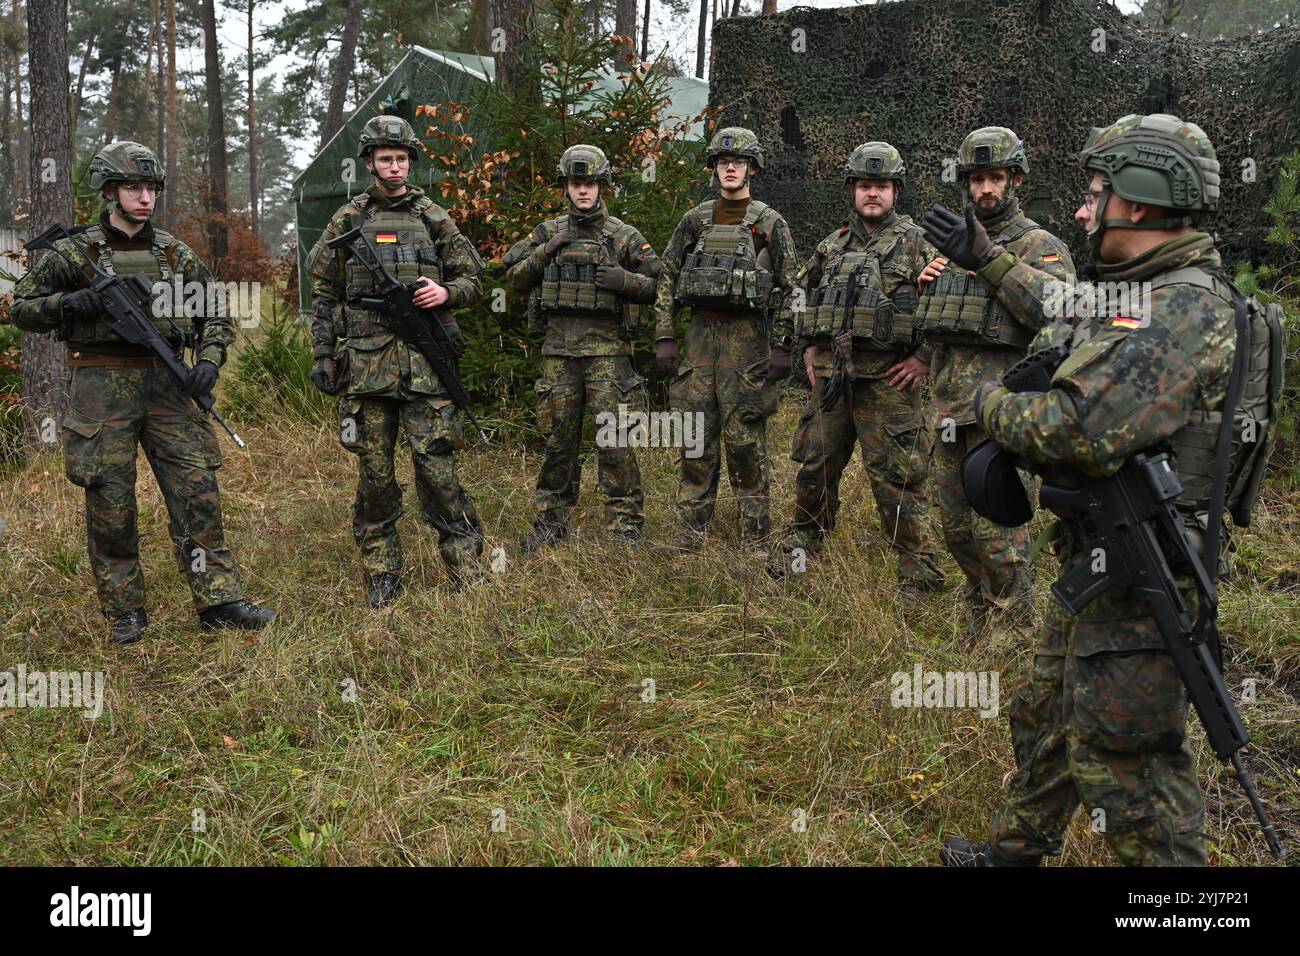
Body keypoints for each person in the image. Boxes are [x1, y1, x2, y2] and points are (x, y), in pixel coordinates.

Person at [940, 114, 1257, 866]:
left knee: (1131, 765)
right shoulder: (1133, 290)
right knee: (1047, 709)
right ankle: (1016, 849)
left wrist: (989, 405)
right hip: (1102, 559)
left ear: (1137, 204)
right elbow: (1057, 317)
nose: (1083, 211)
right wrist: (992, 270)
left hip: (1146, 573)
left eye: (1094, 195)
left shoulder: (1181, 306)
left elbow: (1074, 429)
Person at [10, 141, 275, 644]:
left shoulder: (174, 253)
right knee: (111, 502)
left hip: (170, 385)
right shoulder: (74, 251)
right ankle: (125, 610)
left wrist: (210, 365)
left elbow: (215, 312)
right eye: (135, 188)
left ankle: (218, 599)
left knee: (197, 492)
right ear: (110, 191)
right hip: (100, 386)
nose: (146, 198)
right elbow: (21, 308)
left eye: (152, 189)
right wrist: (74, 302)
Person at [308, 115, 486, 606]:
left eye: (401, 158)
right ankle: (383, 572)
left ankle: (466, 565)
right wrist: (324, 354)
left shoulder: (434, 217)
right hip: (366, 368)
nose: (393, 166)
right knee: (376, 476)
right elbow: (323, 292)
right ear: (369, 162)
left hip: (426, 367)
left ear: (410, 162)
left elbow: (475, 279)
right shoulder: (348, 220)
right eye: (385, 158)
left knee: (438, 471)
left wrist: (445, 291)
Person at [916, 126, 1075, 639]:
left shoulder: (1039, 245)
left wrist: (987, 264)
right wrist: (926, 287)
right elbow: (936, 326)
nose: (985, 189)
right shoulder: (946, 245)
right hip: (947, 412)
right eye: (977, 179)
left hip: (1003, 417)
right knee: (957, 531)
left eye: (996, 178)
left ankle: (1015, 638)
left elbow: (1062, 317)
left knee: (1000, 536)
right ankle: (981, 620)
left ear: (1016, 180)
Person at [766, 142, 944, 598]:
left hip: (887, 382)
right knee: (812, 469)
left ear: (895, 190)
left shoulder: (918, 243)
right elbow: (800, 296)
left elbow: (949, 304)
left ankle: (918, 574)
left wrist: (924, 356)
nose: (872, 194)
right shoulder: (833, 244)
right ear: (853, 189)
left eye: (881, 185)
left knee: (897, 479)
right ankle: (803, 549)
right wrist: (803, 344)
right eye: (865, 185)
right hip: (831, 378)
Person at [502, 144, 661, 550]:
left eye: (590, 182)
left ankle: (625, 526)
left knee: (617, 442)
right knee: (558, 442)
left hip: (609, 356)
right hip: (559, 354)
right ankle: (550, 523)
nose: (583, 191)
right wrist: (545, 252)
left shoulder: (623, 235)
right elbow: (515, 278)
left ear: (601, 185)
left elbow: (661, 284)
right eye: (576, 183)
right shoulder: (548, 231)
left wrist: (624, 281)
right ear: (566, 186)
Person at [652, 127, 799, 553]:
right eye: (722, 162)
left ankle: (756, 537)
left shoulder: (770, 223)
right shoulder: (695, 220)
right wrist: (665, 335)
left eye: (737, 162)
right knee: (695, 437)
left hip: (747, 341)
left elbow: (793, 287)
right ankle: (689, 534)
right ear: (714, 168)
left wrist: (784, 345)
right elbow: (667, 277)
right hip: (699, 339)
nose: (729, 167)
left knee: (745, 441)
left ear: (752, 167)